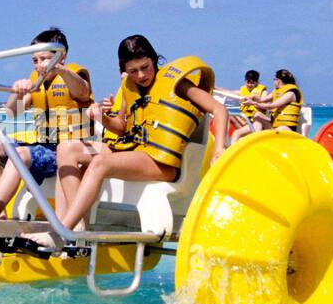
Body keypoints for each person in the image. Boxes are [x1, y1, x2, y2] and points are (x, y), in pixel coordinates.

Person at [45, 34, 227, 246]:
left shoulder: (179, 84)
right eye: (133, 71)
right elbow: (121, 128)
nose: (141, 75)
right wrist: (102, 117)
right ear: (123, 69)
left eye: (145, 67)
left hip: (161, 163)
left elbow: (219, 109)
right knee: (67, 149)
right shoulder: (128, 88)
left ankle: (61, 232)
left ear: (154, 60)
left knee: (99, 163)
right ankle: (77, 228)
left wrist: (219, 148)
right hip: (133, 152)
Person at [0, 28, 92, 220]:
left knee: (21, 154)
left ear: (61, 58)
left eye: (45, 59)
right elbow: (12, 111)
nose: (39, 65)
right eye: (35, 60)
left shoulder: (74, 76)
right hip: (43, 148)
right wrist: (18, 92)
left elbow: (82, 92)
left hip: (67, 153)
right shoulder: (35, 82)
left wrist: (60, 71)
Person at [221, 68, 271, 144]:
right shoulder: (243, 90)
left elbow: (265, 105)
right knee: (228, 114)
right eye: (248, 82)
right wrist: (215, 87)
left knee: (236, 133)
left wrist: (253, 102)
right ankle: (222, 140)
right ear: (245, 81)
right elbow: (228, 92)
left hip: (256, 121)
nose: (250, 85)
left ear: (257, 82)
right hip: (244, 121)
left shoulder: (263, 92)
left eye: (252, 83)